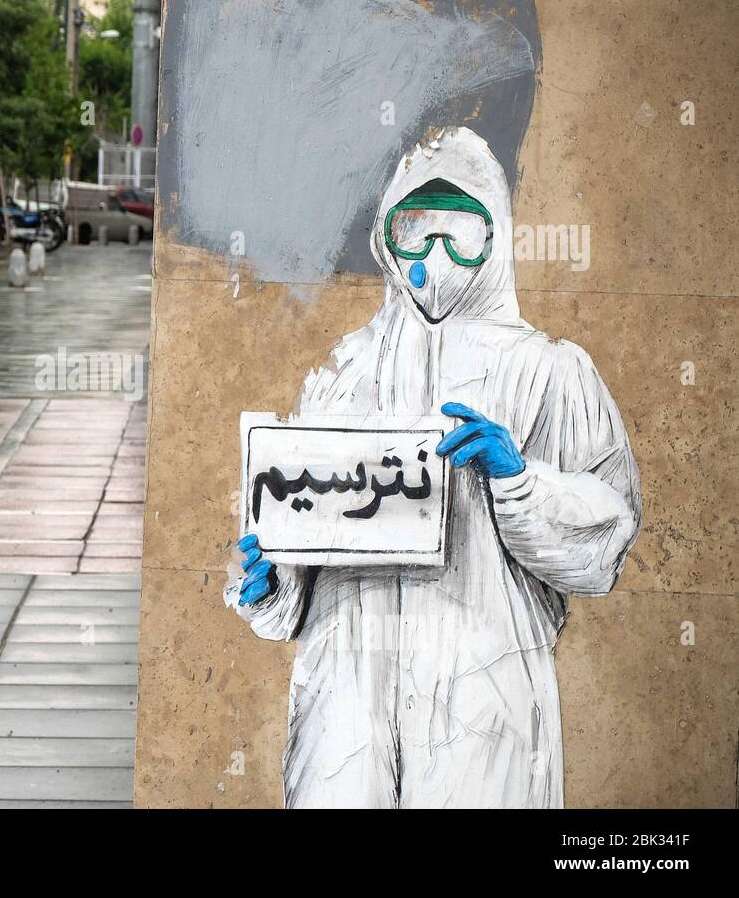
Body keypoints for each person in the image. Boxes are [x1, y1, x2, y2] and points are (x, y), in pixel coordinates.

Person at [228, 126, 641, 808]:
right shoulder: (344, 370)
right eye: (416, 230)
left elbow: (606, 540)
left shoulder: (549, 369)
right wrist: (270, 581)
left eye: (461, 233)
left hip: (487, 698)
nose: (437, 256)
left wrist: (520, 481)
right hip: (346, 700)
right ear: (388, 239)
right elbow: (299, 518)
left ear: (496, 237)